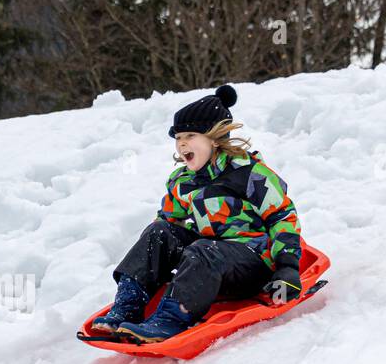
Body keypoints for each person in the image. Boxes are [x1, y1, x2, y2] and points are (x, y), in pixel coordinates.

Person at [91, 84, 304, 343]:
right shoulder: (183, 181)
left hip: (252, 264)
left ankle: (171, 317)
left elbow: (282, 216)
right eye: (178, 138)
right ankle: (129, 303)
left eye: (190, 136)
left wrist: (287, 268)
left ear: (214, 138)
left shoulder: (250, 174)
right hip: (208, 263)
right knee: (158, 231)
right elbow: (169, 221)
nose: (182, 144)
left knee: (205, 247)